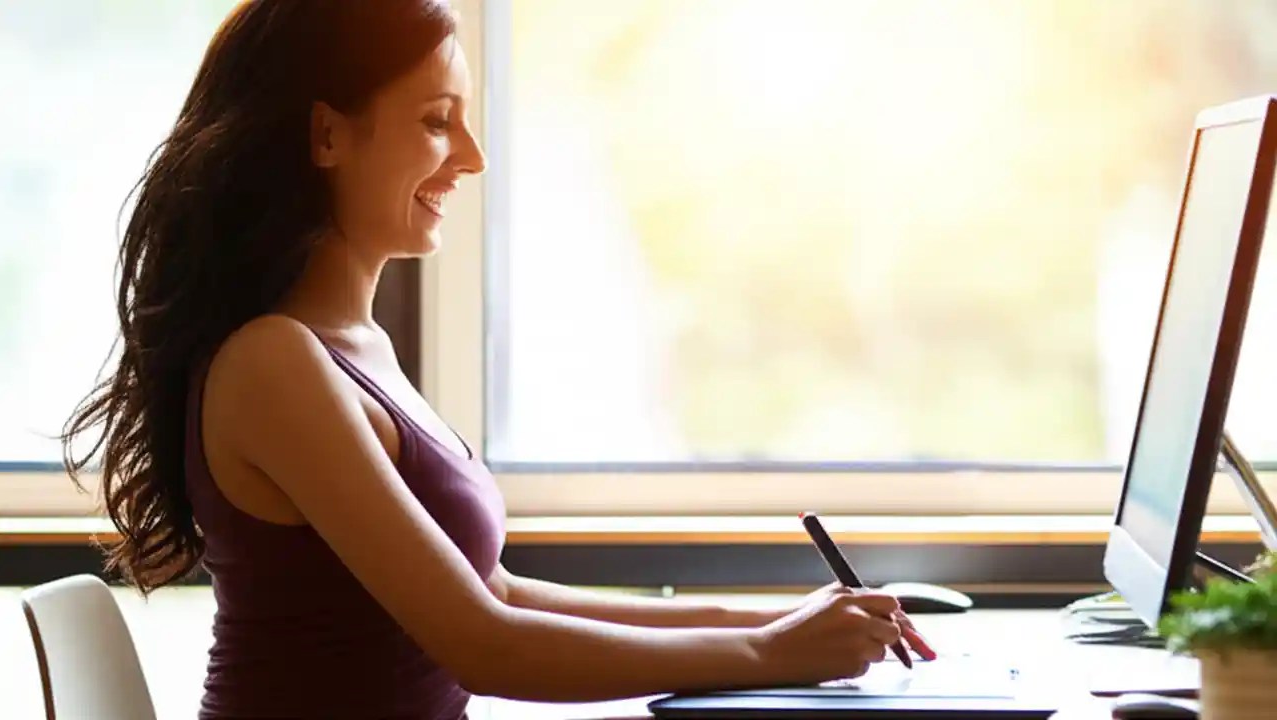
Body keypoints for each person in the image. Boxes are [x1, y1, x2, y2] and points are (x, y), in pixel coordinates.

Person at [62, 1, 934, 717]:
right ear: (327, 135)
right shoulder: (274, 364)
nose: (471, 157)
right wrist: (764, 652)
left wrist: (782, 625)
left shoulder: (351, 351)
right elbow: (482, 644)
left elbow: (498, 593)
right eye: (438, 122)